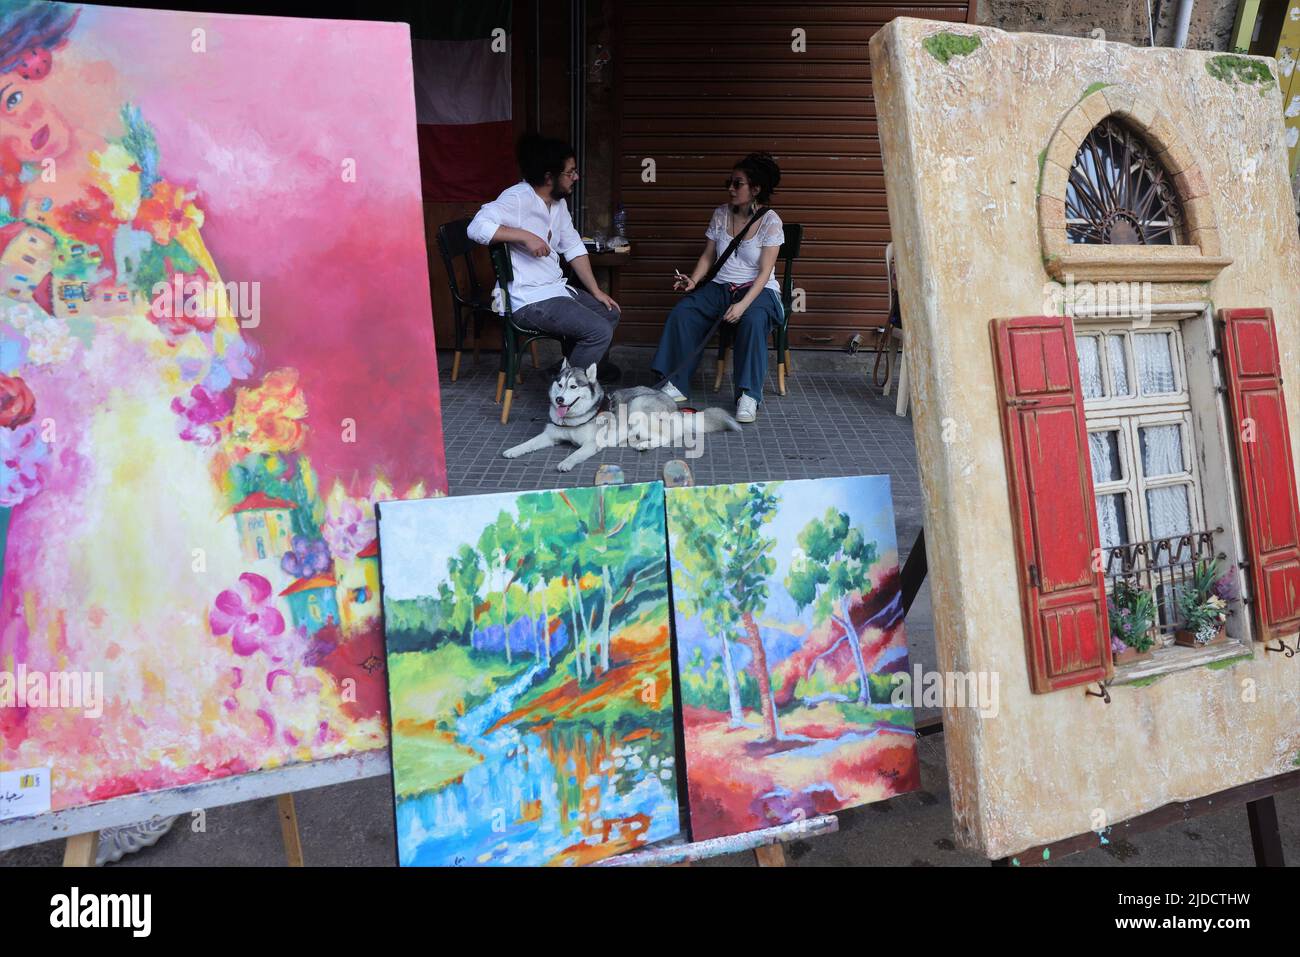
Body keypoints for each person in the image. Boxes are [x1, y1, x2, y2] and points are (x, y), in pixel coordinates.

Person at [468, 134, 620, 379]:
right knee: (599, 332)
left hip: (554, 290)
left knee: (609, 312)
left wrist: (596, 291)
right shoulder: (518, 198)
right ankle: (567, 392)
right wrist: (524, 236)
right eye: (570, 173)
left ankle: (565, 372)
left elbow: (573, 247)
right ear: (549, 176)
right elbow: (476, 227)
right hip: (528, 299)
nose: (576, 178)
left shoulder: (557, 204)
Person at [649, 151, 785, 424]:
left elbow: (764, 273)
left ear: (756, 189)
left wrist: (743, 305)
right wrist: (694, 281)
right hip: (721, 286)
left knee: (753, 319)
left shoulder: (771, 221)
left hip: (758, 291)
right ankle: (675, 384)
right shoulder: (721, 214)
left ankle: (748, 395)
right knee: (684, 312)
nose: (731, 189)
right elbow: (708, 256)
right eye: (729, 183)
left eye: (738, 183)